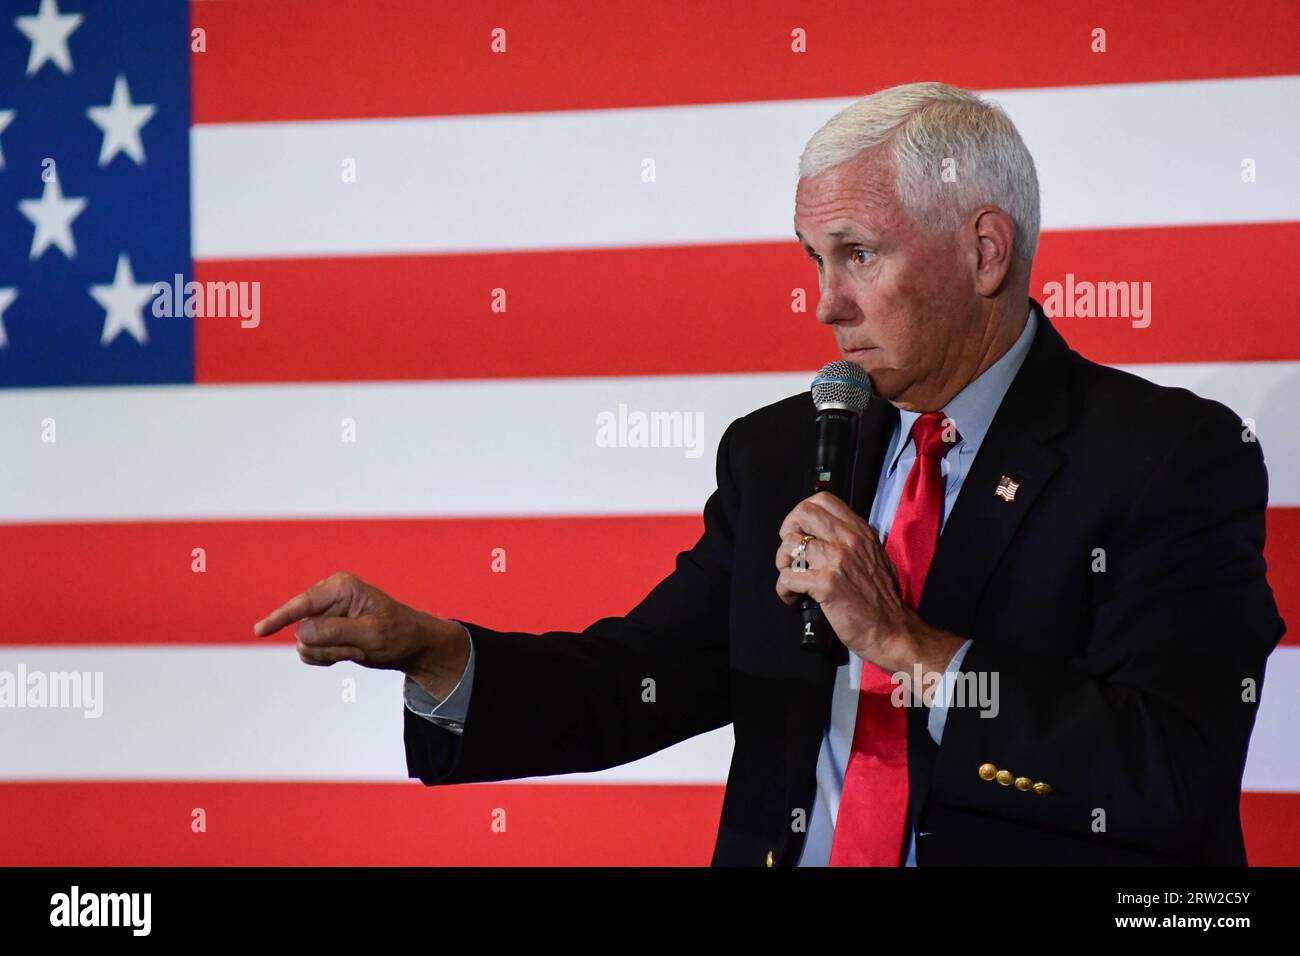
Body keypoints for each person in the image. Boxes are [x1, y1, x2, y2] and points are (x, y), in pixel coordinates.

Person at [253, 81, 1286, 866]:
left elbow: (1169, 769)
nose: (823, 304)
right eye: (810, 259)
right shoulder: (780, 450)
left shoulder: (1166, 457)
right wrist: (438, 651)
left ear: (983, 252)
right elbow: (639, 680)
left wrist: (909, 647)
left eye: (857, 254)